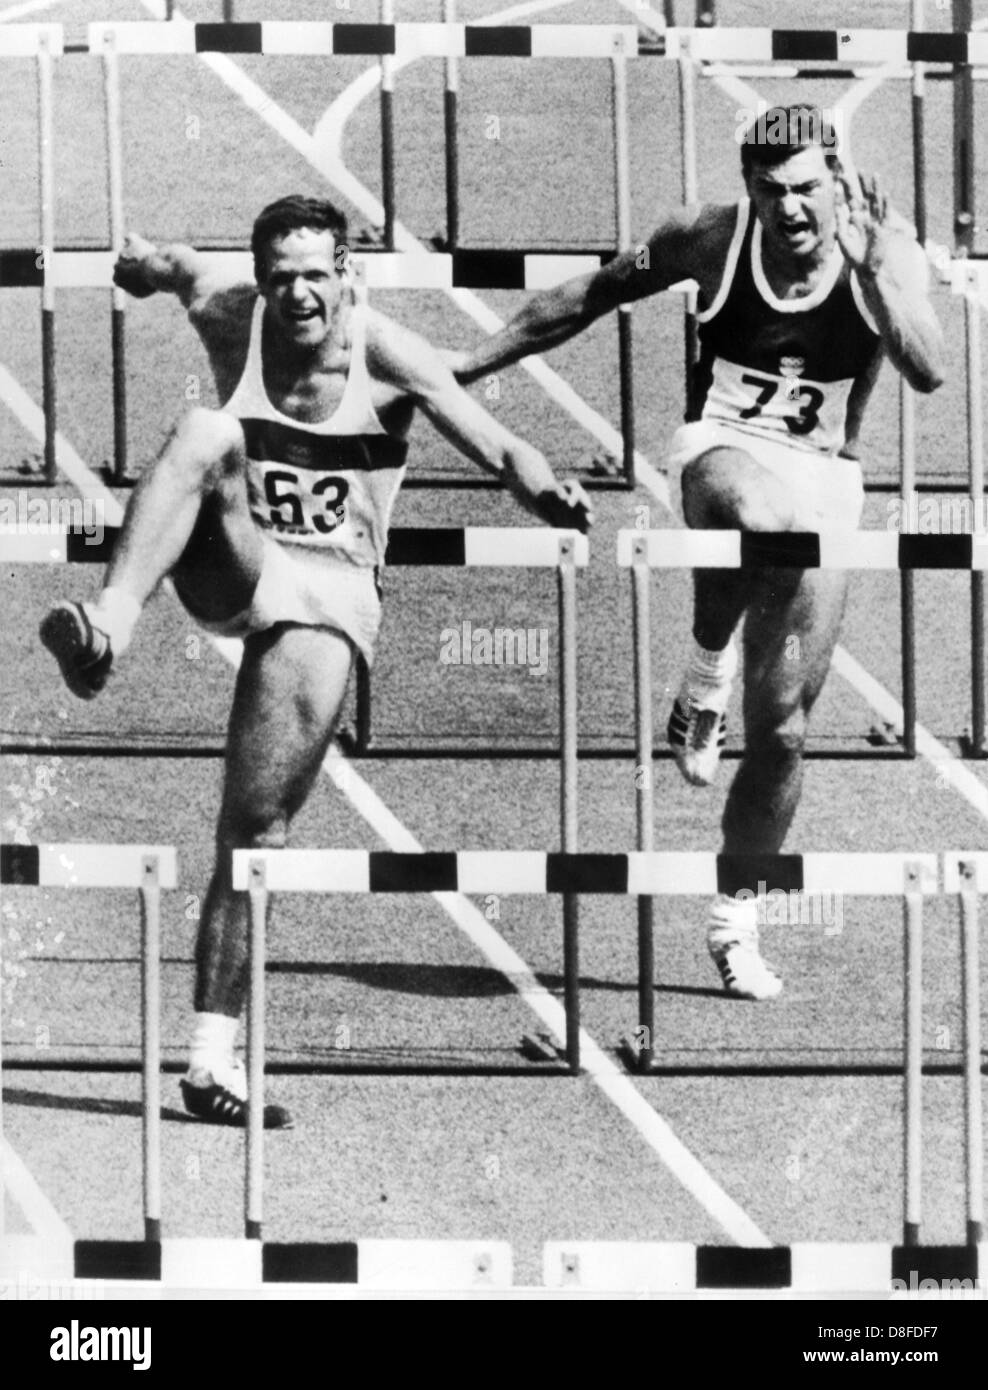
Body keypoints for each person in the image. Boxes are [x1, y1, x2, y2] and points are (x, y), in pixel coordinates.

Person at [41, 195, 592, 1126]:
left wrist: (549, 496)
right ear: (261, 282)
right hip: (240, 558)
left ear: (348, 275)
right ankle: (108, 627)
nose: (298, 295)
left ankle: (209, 1064)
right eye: (280, 278)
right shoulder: (234, 315)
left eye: (314, 277)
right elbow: (182, 266)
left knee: (254, 830)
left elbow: (498, 443)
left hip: (329, 596)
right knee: (207, 431)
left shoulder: (387, 354)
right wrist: (142, 265)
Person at [448, 106, 945, 1001]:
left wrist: (880, 278)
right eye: (771, 191)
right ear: (748, 188)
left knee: (784, 730)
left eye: (807, 188)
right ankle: (708, 666)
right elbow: (586, 297)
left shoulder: (886, 243)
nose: (790, 210)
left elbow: (930, 368)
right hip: (719, 452)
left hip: (825, 478)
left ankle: (734, 919)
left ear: (836, 177)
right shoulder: (711, 239)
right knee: (761, 513)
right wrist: (456, 371)